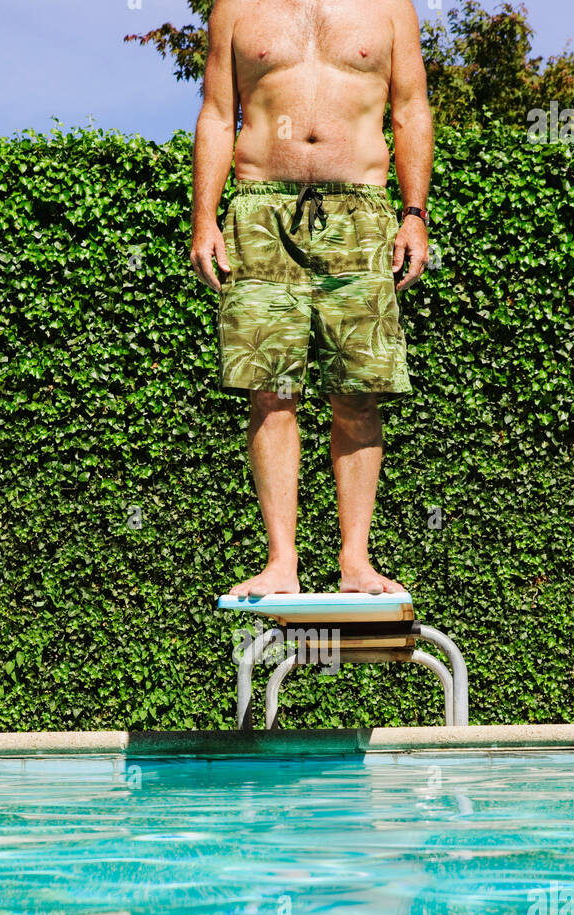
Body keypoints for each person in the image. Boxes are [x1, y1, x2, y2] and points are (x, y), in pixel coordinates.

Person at [191, 0, 433, 596]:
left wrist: (415, 214)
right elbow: (219, 116)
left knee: (357, 395)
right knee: (270, 393)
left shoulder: (390, 8)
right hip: (259, 208)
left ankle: (356, 561)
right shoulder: (236, 8)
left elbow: (409, 110)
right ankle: (281, 562)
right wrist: (204, 220)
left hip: (363, 209)